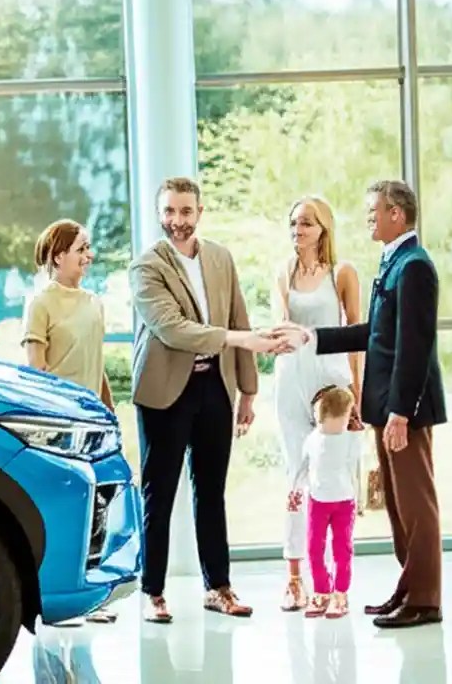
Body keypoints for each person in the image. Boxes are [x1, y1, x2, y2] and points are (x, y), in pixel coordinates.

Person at [274, 179, 447, 629]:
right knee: (398, 505)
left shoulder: (415, 267)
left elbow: (414, 347)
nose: (369, 219)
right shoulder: (394, 262)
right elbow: (375, 333)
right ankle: (408, 590)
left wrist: (400, 412)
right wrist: (311, 337)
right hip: (387, 406)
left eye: (374, 212)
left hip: (404, 409)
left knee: (416, 505)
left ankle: (425, 599)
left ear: (397, 214)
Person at [131, 176, 288, 623]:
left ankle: (218, 587)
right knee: (159, 493)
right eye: (169, 211)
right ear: (159, 214)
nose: (177, 220)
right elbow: (173, 329)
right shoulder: (146, 267)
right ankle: (153, 591)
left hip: (215, 386)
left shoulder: (220, 258)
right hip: (165, 391)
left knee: (212, 492)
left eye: (185, 211)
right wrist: (239, 339)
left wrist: (248, 390)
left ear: (199, 212)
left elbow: (239, 315)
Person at [270, 195, 364, 612]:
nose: (298, 230)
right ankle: (294, 579)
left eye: (307, 223)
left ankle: (336, 584)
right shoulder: (282, 273)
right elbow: (280, 328)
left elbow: (357, 336)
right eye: (293, 223)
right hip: (292, 380)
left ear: (324, 228)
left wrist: (358, 392)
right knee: (296, 476)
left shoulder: (343, 273)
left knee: (333, 475)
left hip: (332, 381)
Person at [22, 218, 117, 624]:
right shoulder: (40, 303)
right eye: (81, 249)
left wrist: (109, 411)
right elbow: (36, 369)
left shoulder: (94, 302)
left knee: (96, 509)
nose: (88, 255)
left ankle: (88, 597)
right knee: (64, 509)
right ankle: (58, 597)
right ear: (58, 256)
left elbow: (96, 363)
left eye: (88, 248)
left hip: (92, 421)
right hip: (58, 424)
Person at [288, 385, 360, 619]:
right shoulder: (313, 439)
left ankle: (340, 593)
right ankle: (321, 591)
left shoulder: (351, 439)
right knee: (314, 548)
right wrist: (295, 490)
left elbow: (355, 469)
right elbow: (303, 467)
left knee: (342, 550)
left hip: (344, 502)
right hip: (318, 502)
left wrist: (360, 501)